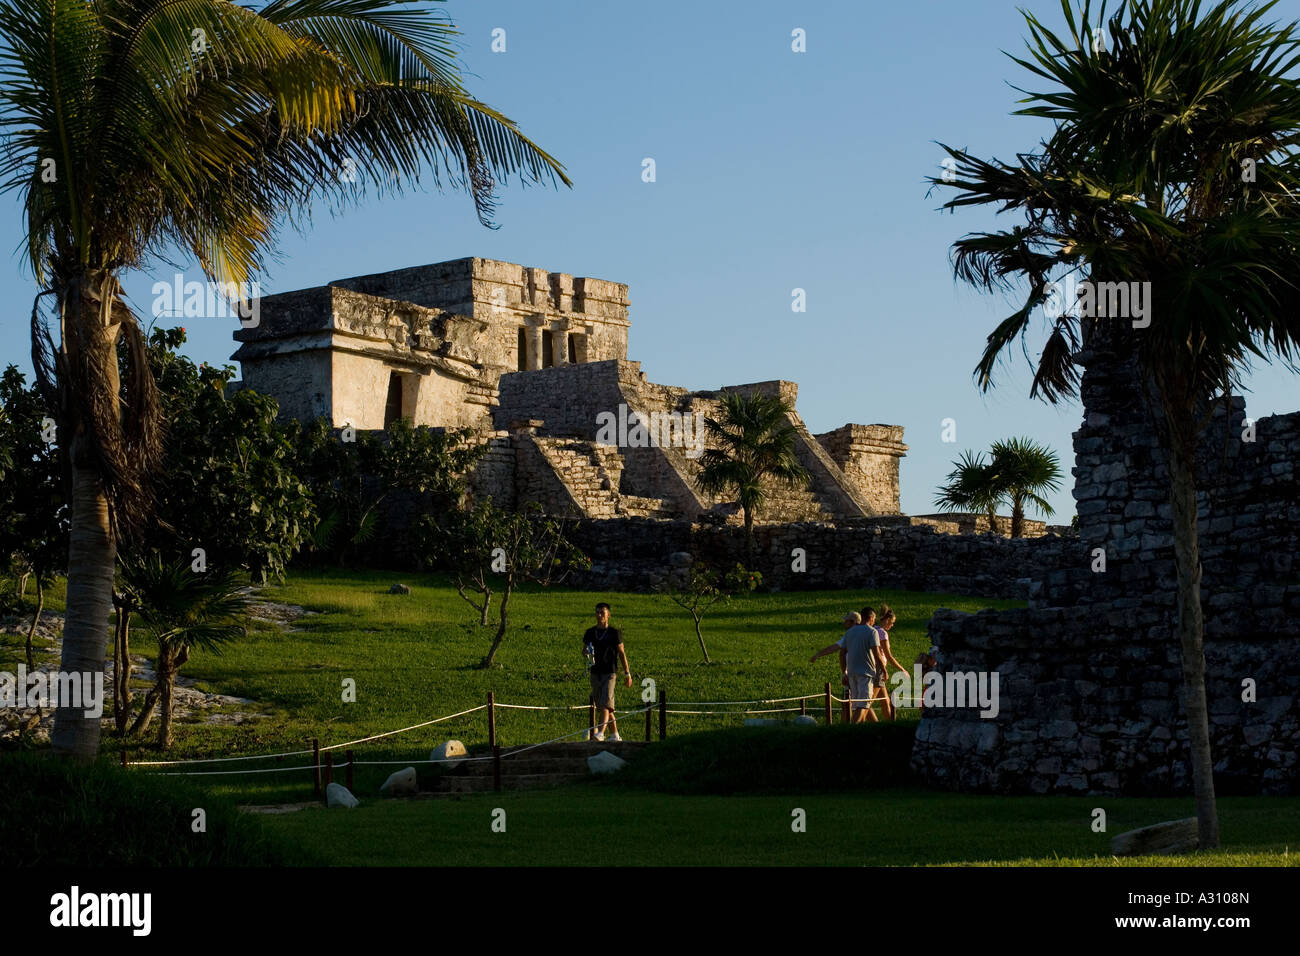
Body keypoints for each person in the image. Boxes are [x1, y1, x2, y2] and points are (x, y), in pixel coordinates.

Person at [809, 609, 883, 723]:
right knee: (864, 704)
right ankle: (857, 729)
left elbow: (838, 650)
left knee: (863, 704)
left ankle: (865, 728)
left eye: (846, 621)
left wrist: (844, 672)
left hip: (856, 672)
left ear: (853, 622)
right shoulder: (866, 632)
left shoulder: (851, 633)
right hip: (864, 672)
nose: (844, 623)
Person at [583, 602, 632, 741]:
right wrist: (586, 652)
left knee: (606, 703)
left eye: (602, 613)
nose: (599, 616)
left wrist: (627, 673)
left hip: (609, 673)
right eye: (597, 612)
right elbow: (584, 650)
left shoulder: (614, 633)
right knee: (603, 706)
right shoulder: (590, 633)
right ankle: (615, 735)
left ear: (608, 615)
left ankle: (600, 733)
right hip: (595, 672)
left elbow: (621, 653)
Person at [869, 608, 908, 721]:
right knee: (867, 704)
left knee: (885, 702)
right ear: (886, 620)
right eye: (892, 623)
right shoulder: (882, 633)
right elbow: (888, 656)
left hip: (872, 667)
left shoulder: (873, 629)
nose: (892, 625)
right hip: (879, 669)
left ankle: (890, 725)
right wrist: (902, 669)